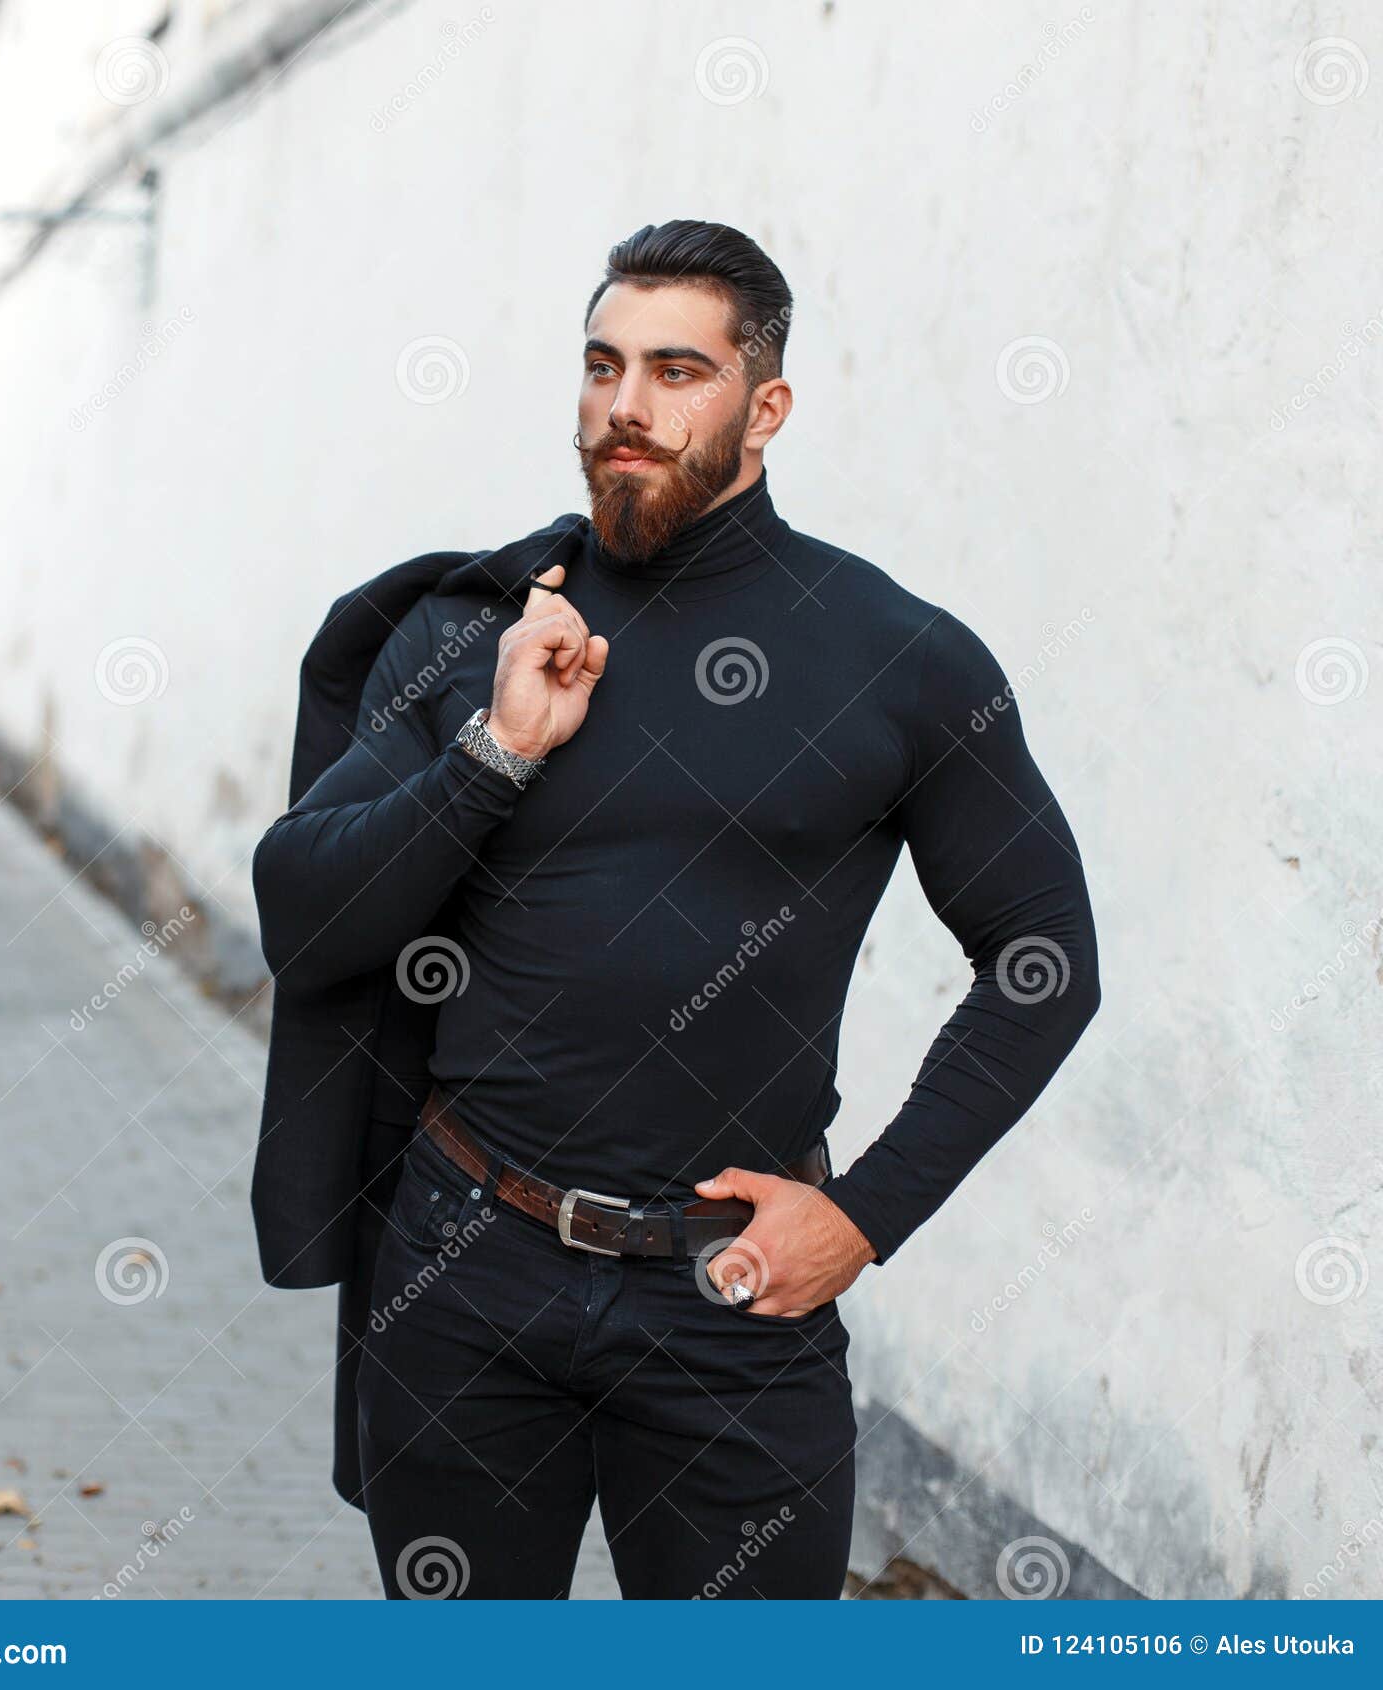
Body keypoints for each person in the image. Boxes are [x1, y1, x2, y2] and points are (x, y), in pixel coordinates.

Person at [251, 220, 1101, 1598]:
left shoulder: (899, 658)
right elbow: (303, 910)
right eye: (601, 365)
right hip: (467, 1270)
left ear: (765, 406)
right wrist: (496, 754)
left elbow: (1045, 957)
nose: (625, 407)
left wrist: (867, 1213)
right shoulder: (482, 631)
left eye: (676, 370)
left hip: (733, 1301)